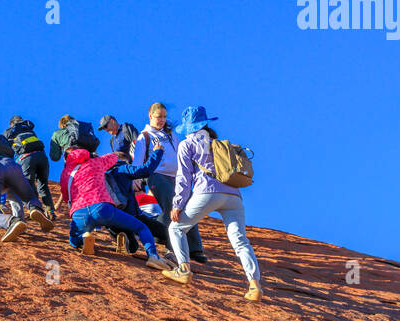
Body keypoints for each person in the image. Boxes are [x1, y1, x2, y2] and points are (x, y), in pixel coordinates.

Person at [162, 106, 262, 300]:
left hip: (206, 193)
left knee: (176, 228)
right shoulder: (217, 142)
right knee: (240, 241)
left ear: (187, 126)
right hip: (233, 195)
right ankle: (254, 285)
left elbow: (184, 178)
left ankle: (183, 270)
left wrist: (177, 204)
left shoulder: (187, 144)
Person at [59, 144, 171, 268]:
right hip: (102, 208)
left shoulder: (65, 174)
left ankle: (84, 238)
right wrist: (157, 152)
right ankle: (153, 257)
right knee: (141, 228)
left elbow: (65, 197)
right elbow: (114, 158)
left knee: (73, 240)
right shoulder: (96, 162)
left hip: (79, 213)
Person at [133, 102, 208, 263]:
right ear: (150, 116)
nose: (162, 120)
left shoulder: (171, 135)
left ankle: (194, 249)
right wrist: (136, 181)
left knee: (188, 208)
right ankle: (171, 248)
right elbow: (138, 161)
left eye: (165, 117)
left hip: (177, 177)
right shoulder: (145, 136)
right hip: (157, 175)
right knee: (172, 208)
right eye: (159, 116)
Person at [4, 116, 55, 219]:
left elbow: (7, 150)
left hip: (26, 158)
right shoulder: (29, 129)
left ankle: (36, 209)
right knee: (43, 185)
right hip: (42, 157)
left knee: (28, 184)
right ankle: (50, 212)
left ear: (11, 123)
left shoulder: (10, 131)